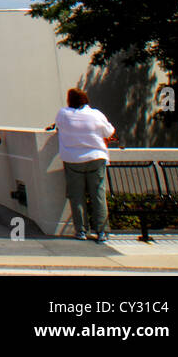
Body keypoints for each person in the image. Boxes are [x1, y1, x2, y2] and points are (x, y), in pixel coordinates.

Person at [55, 87, 117, 242]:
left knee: (76, 196)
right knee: (98, 194)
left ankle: (81, 231)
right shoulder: (96, 114)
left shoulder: (63, 113)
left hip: (72, 159)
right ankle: (102, 231)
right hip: (96, 158)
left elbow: (58, 127)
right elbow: (110, 132)